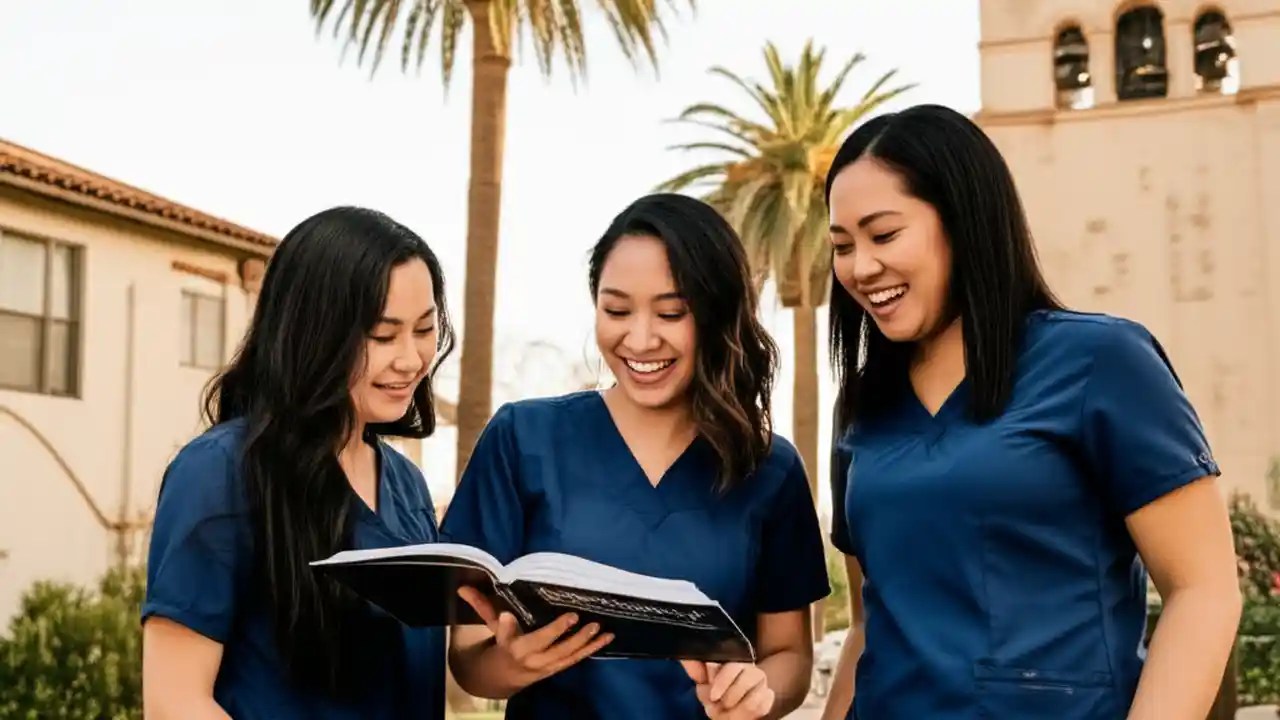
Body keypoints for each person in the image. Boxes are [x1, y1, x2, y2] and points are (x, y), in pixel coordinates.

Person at [818, 103, 1242, 720]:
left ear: (963, 222)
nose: (860, 267)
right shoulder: (861, 409)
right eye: (842, 245)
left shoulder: (1101, 361)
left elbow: (1203, 590)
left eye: (884, 235)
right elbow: (867, 625)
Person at [441, 193, 830, 719]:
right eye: (616, 309)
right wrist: (515, 665)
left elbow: (790, 656)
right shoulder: (522, 439)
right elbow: (468, 658)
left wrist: (755, 694)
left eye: (672, 312)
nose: (640, 339)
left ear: (717, 315)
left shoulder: (770, 469)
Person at [140, 206, 456, 720]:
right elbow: (175, 701)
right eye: (382, 335)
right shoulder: (220, 473)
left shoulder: (407, 486)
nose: (411, 359)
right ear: (314, 333)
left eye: (424, 329)